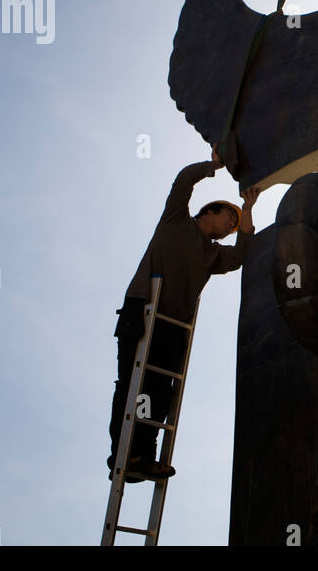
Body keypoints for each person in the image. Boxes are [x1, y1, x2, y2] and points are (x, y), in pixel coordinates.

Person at [107, 146, 260, 482]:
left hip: (173, 326)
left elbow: (241, 257)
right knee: (132, 382)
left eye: (234, 226)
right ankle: (122, 452)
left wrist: (248, 211)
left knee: (161, 388)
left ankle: (143, 456)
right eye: (228, 219)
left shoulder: (213, 255)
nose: (229, 227)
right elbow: (182, 182)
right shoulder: (176, 219)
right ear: (210, 211)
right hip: (143, 308)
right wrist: (213, 166)